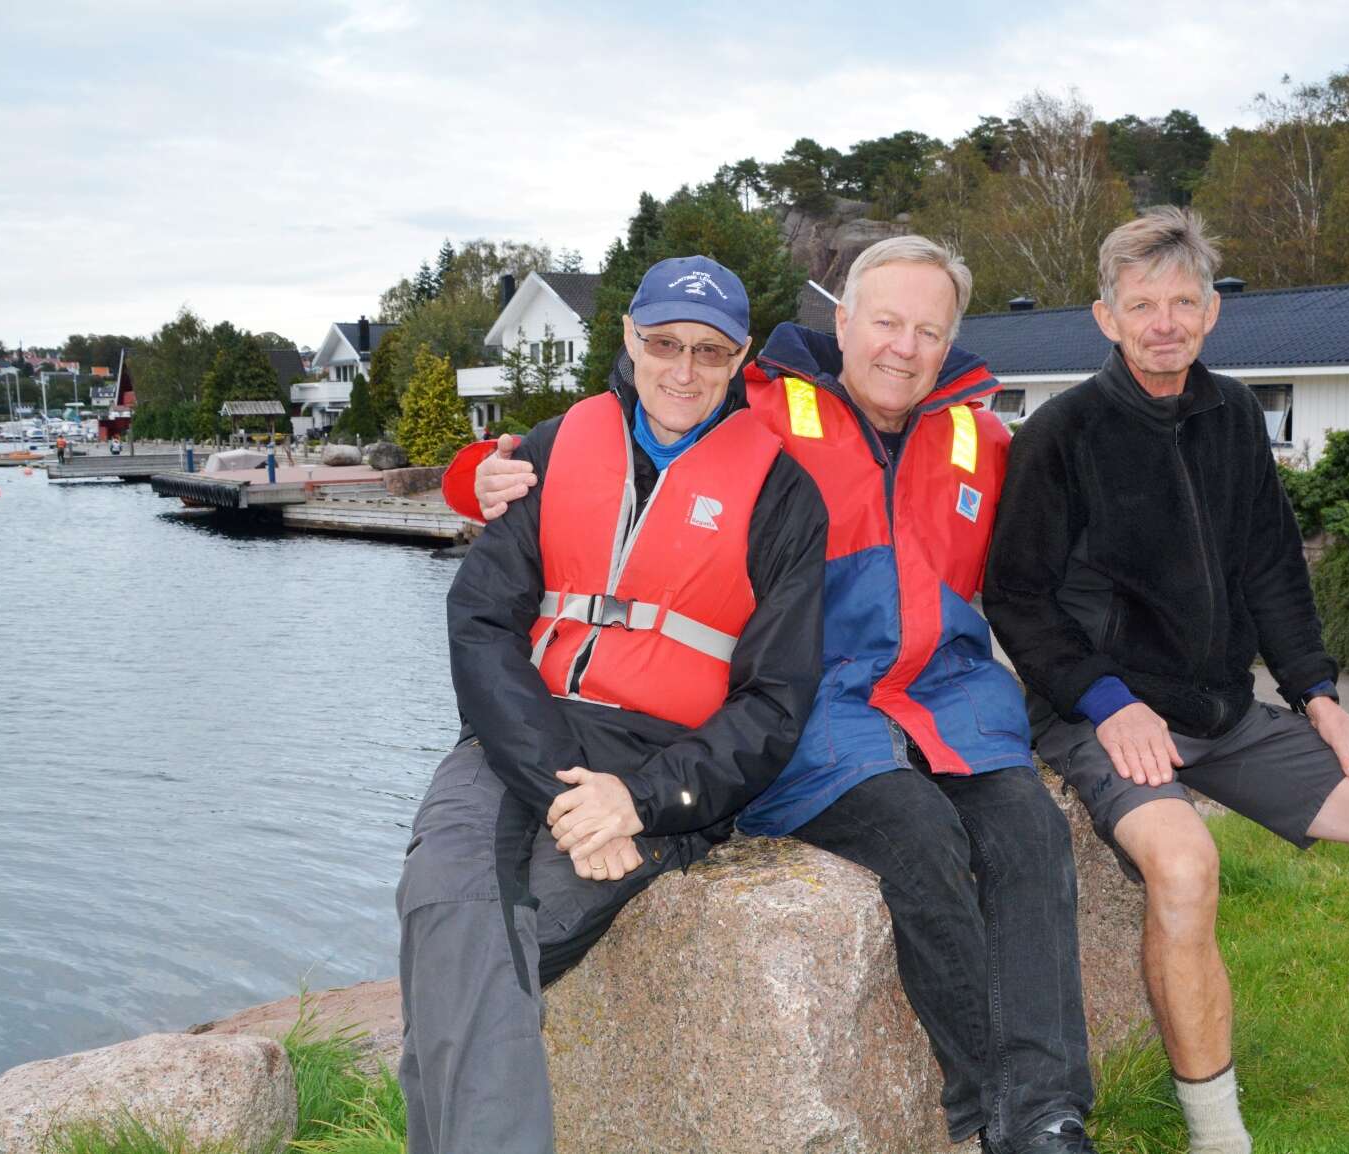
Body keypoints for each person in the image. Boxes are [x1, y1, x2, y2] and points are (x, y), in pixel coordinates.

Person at [463, 237, 1096, 1154]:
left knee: (1030, 835)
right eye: (884, 321)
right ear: (840, 321)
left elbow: (1066, 561)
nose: (902, 347)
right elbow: (625, 432)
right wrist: (474, 474)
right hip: (809, 707)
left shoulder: (984, 438)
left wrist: (1112, 697)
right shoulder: (756, 406)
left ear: (952, 341)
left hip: (949, 702)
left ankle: (1045, 1117)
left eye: (928, 330)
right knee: (919, 837)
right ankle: (992, 1111)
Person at [982, 207, 1349, 1154]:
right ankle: (1221, 1140)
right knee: (1184, 863)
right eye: (1142, 305)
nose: (1163, 322)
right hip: (1099, 713)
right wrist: (1105, 700)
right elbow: (1014, 596)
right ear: (1105, 316)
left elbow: (1270, 570)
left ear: (1210, 312)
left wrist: (1320, 698)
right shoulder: (1063, 432)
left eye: (1182, 302)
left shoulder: (1233, 417)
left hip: (1220, 709)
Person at [399, 255, 828, 1153]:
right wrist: (566, 787)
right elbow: (480, 620)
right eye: (662, 342)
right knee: (449, 898)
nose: (682, 369)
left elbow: (774, 703)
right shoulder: (553, 449)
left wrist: (638, 802)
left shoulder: (783, 495)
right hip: (519, 738)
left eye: (708, 353)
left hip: (665, 762)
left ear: (740, 358)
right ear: (628, 339)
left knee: (469, 943)